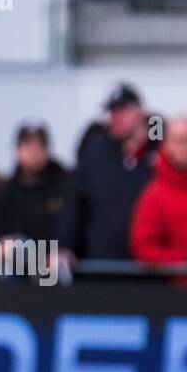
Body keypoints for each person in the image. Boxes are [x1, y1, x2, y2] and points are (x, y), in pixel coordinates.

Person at [61, 83, 158, 260]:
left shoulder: (157, 152)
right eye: (112, 112)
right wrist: (64, 247)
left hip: (148, 268)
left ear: (139, 111)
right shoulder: (95, 153)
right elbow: (74, 206)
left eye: (122, 111)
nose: (115, 118)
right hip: (101, 266)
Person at [129, 116, 187, 275]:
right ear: (167, 146)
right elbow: (144, 248)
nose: (184, 147)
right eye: (177, 141)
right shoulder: (155, 195)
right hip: (181, 290)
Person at [0, 120, 69, 245]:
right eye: (28, 146)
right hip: (18, 261)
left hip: (53, 260)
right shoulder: (4, 193)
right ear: (17, 150)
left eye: (40, 146)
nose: (35, 153)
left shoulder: (64, 188)